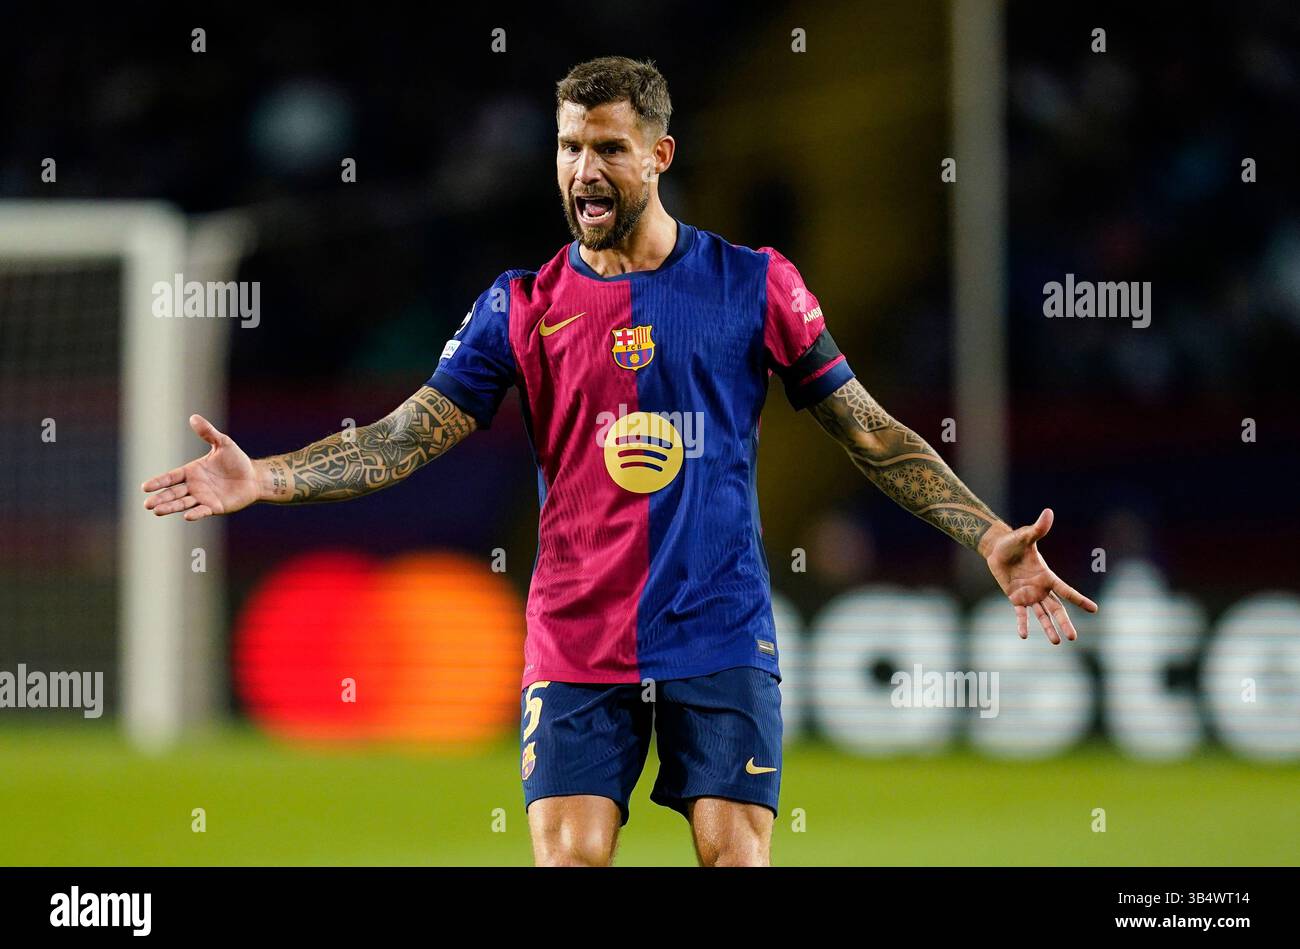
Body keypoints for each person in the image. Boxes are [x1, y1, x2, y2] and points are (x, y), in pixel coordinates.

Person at [142, 56, 1097, 866]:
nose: (583, 170)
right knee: (573, 856)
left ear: (659, 156)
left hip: (717, 623)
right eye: (568, 148)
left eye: (607, 148)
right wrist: (265, 476)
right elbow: (404, 435)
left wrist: (984, 533)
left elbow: (871, 431)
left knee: (735, 852)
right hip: (577, 632)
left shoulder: (755, 283)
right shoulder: (520, 305)